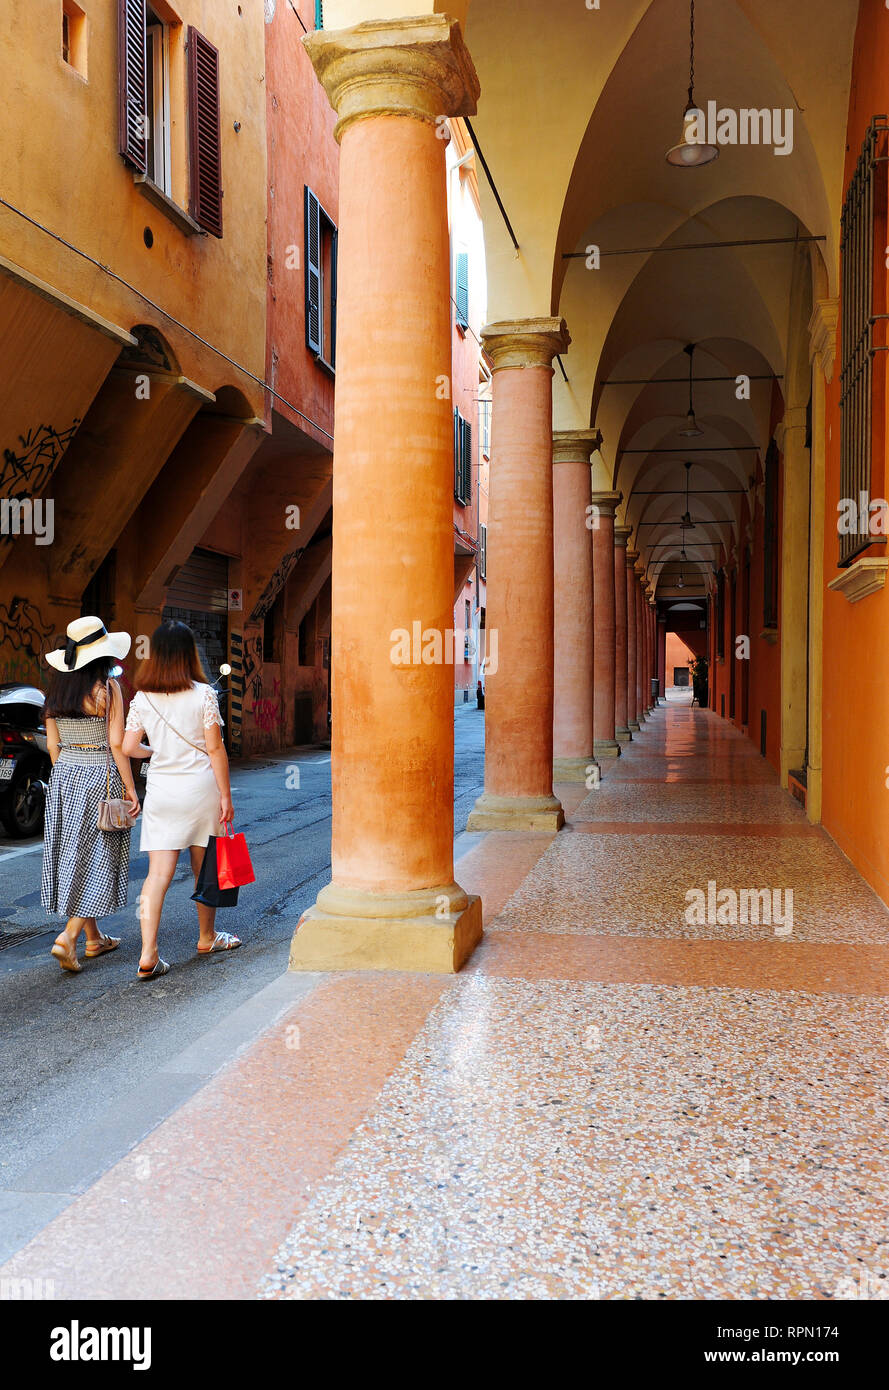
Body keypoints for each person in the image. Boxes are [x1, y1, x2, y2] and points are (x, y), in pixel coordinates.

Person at [122, 620, 239, 980]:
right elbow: (216, 749)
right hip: (200, 791)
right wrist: (226, 796)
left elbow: (128, 748)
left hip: (162, 793)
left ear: (155, 655)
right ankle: (206, 937)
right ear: (190, 654)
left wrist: (154, 749)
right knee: (205, 868)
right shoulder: (203, 694)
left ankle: (148, 953)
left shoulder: (142, 698)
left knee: (157, 876)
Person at [42, 616, 140, 973]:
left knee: (75, 852)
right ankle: (68, 937)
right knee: (98, 855)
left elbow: (52, 744)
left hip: (64, 773)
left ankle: (93, 939)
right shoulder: (107, 689)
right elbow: (116, 743)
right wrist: (130, 788)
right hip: (100, 773)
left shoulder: (54, 692)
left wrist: (65, 773)